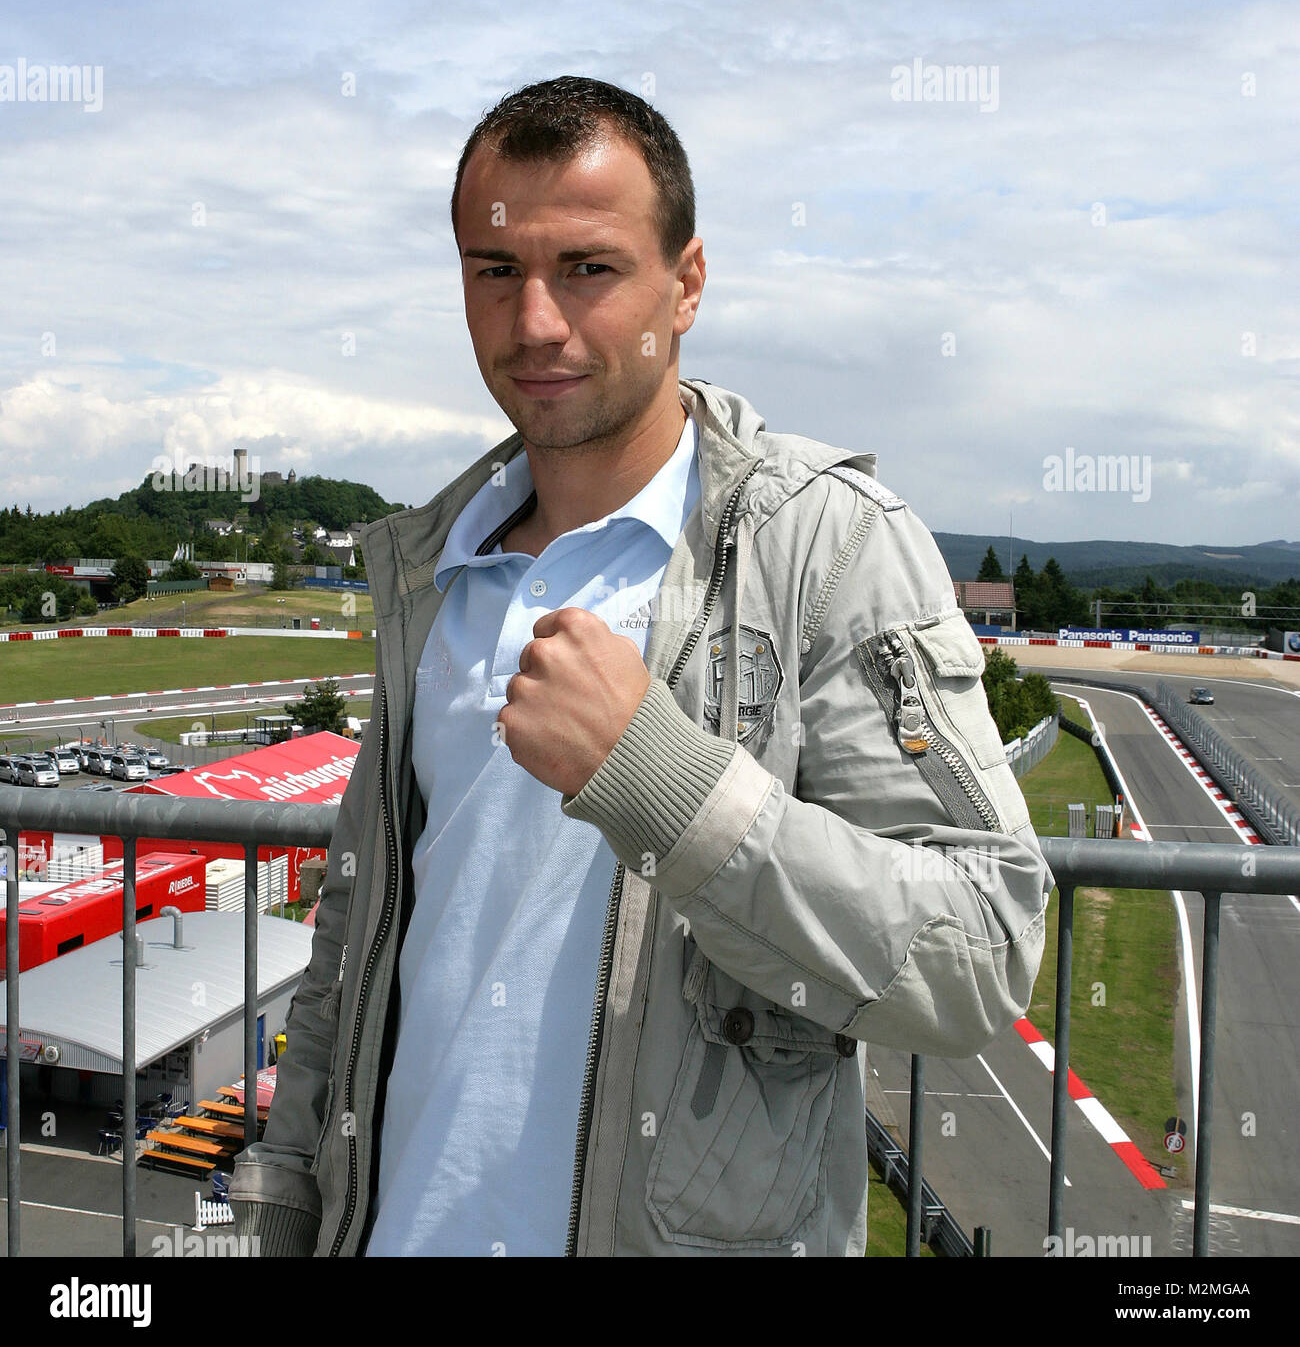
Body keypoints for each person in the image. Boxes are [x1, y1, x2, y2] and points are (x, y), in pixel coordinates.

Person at [230, 75, 1051, 1257]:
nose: (536, 325)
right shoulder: (432, 570)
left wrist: (665, 779)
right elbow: (353, 940)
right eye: (496, 271)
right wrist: (286, 1204)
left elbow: (980, 955)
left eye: (589, 269)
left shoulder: (824, 546)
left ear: (688, 281)